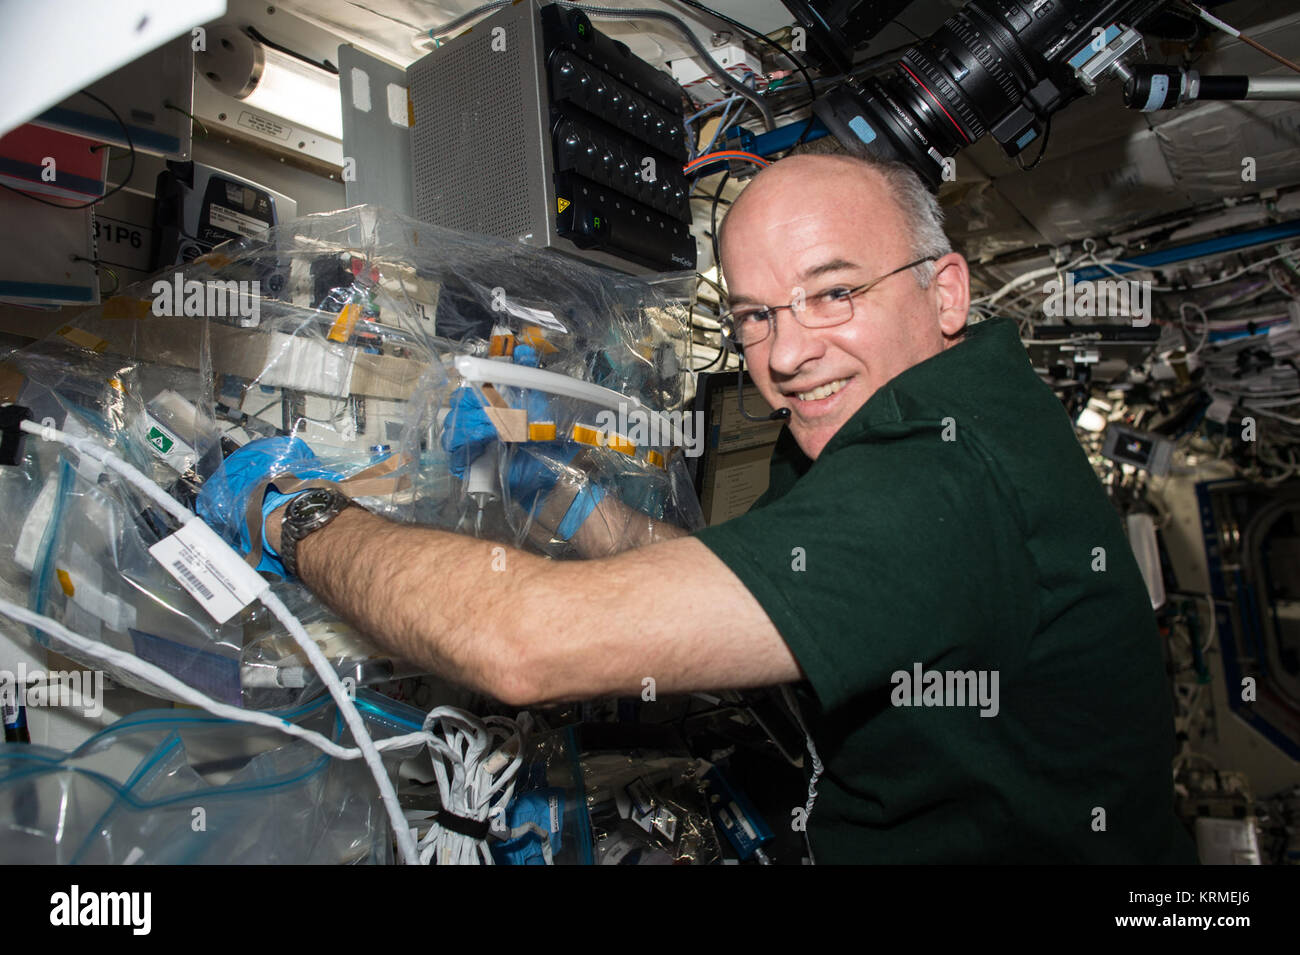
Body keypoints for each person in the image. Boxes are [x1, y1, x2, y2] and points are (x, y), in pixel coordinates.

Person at [203, 153, 1196, 864]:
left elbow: (519, 642)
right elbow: (725, 572)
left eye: (831, 292)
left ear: (944, 290)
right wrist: (544, 485)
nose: (786, 354)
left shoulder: (936, 482)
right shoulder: (913, 412)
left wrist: (287, 512)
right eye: (755, 316)